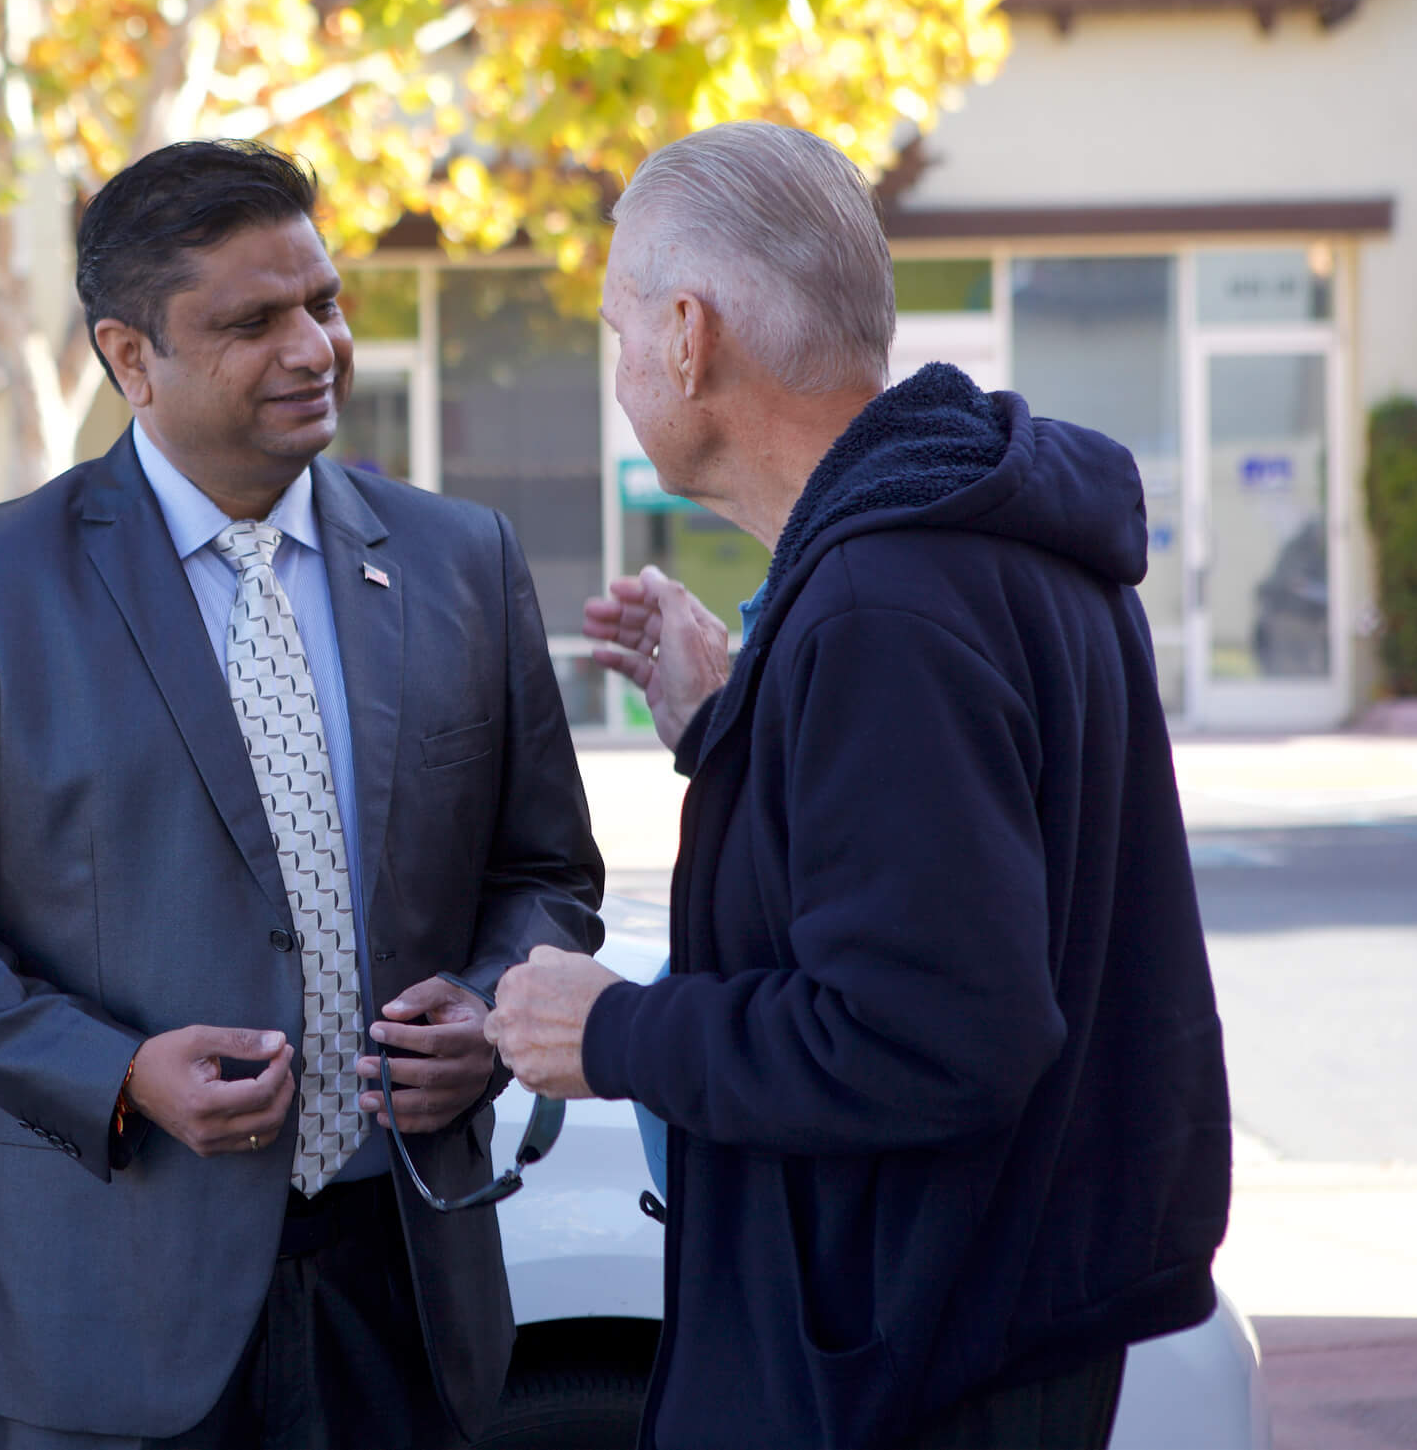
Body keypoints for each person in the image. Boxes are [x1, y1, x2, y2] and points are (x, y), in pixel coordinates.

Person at [0, 138, 606, 1449]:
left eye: (322, 301)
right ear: (131, 357)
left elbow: (546, 872)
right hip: (105, 1304)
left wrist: (482, 1008)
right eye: (252, 321)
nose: (313, 347)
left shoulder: (457, 559)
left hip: (399, 1286)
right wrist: (117, 1070)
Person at [485, 121, 1231, 1450]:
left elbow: (924, 1034)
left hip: (909, 1362)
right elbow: (939, 879)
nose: (616, 370)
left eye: (613, 333)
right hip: (984, 1324)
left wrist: (609, 1034)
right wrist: (732, 728)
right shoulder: (972, 541)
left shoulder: (884, 609)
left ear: (686, 336)